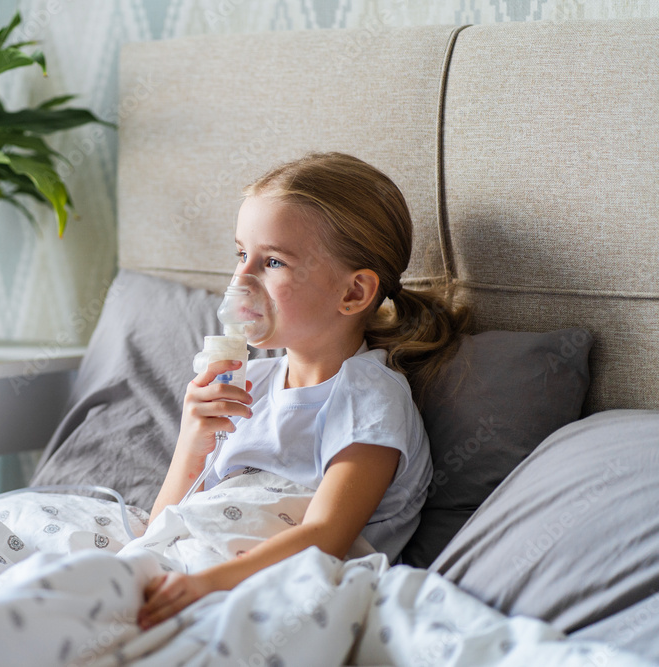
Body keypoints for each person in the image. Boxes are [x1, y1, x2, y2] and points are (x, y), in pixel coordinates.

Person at [137, 152, 471, 630]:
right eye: (241, 255)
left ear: (353, 293)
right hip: (186, 562)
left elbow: (326, 536)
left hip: (261, 592)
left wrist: (206, 585)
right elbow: (160, 529)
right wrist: (193, 440)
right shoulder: (250, 385)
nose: (240, 281)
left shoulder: (368, 397)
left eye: (272, 262)